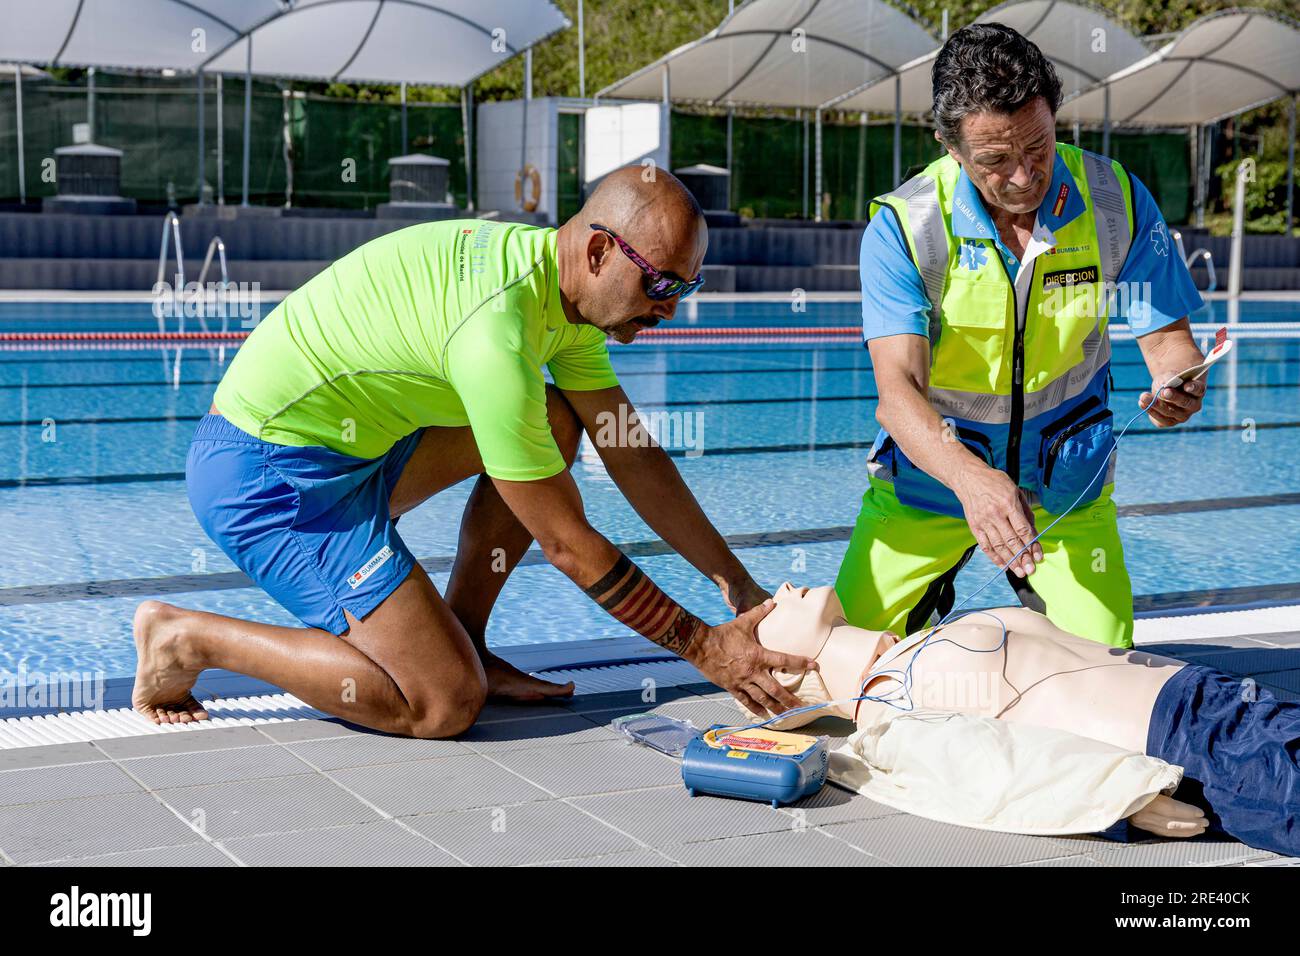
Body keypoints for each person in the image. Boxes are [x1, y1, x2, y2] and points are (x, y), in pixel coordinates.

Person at [132, 166, 816, 737]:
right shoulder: (497, 333)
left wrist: (735, 584)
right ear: (601, 251)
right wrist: (705, 648)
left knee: (555, 418)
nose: (669, 309)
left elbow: (629, 451)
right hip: (267, 476)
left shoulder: (566, 296)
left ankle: (466, 638)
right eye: (661, 285)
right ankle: (188, 638)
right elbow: (569, 544)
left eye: (685, 289)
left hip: (361, 453)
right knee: (442, 703)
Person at [837, 23, 1209, 648]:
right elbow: (897, 392)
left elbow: (1168, 340)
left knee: (1105, 676)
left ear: (1054, 115)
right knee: (834, 664)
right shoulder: (905, 227)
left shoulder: (1116, 200)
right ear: (950, 148)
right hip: (933, 484)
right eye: (994, 161)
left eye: (1037, 146)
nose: (1022, 176)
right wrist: (971, 480)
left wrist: (1179, 381)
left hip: (1067, 487)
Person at [746, 584, 1300, 858]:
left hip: (1216, 696)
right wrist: (1120, 795)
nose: (782, 590)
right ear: (786, 676)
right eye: (767, 614)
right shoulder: (889, 713)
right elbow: (991, 770)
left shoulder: (914, 651)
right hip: (1201, 748)